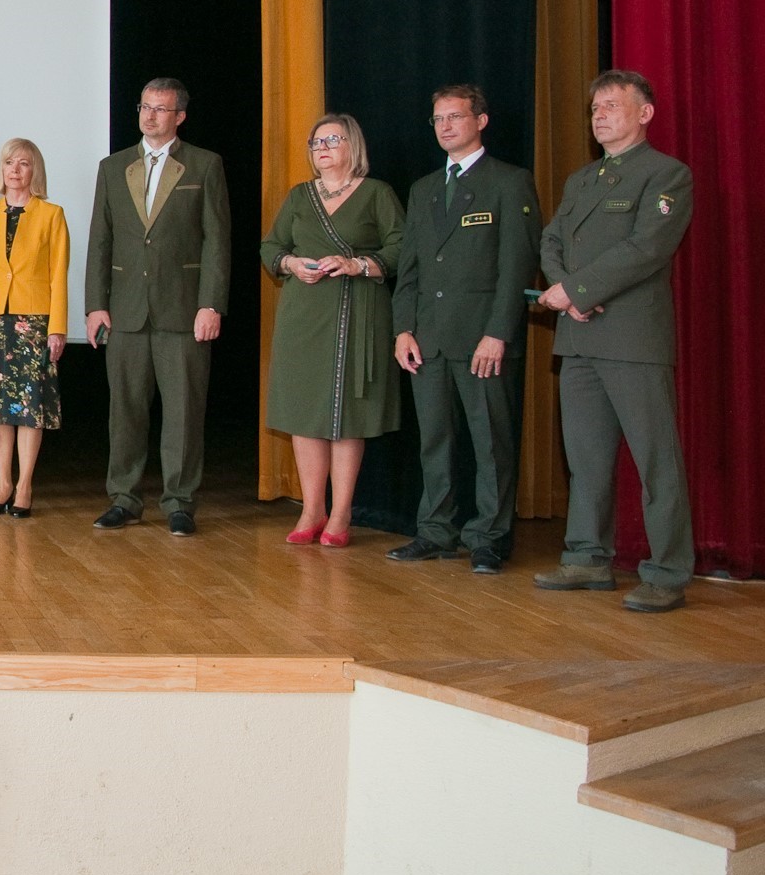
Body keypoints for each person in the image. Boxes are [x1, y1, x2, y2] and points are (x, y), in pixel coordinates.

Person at [534, 70, 695, 613]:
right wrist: (563, 292)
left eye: (611, 106)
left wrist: (577, 289)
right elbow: (551, 238)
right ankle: (586, 557)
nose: (598, 115)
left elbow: (647, 249)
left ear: (644, 113)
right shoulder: (583, 180)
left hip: (631, 340)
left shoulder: (667, 175)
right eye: (594, 108)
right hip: (578, 339)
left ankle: (668, 570)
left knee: (656, 460)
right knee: (586, 458)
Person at [389, 85, 540, 572]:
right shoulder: (424, 188)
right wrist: (403, 329)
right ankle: (435, 530)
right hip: (427, 340)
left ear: (481, 120)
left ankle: (489, 538)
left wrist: (499, 332)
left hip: (482, 340)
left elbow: (517, 268)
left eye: (455, 116)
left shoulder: (509, 182)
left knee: (490, 443)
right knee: (434, 440)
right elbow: (409, 267)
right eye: (437, 119)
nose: (445, 126)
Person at [84, 78, 231, 536]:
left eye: (161, 109)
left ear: (180, 116)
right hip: (125, 311)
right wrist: (95, 305)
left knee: (184, 411)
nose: (150, 116)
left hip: (183, 310)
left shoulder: (205, 165)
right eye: (145, 106)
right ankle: (124, 498)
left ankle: (180, 501)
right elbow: (100, 240)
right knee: (124, 409)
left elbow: (217, 242)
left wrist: (211, 304)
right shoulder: (113, 167)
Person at [259, 113, 403, 547]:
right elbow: (271, 246)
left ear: (352, 145)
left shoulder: (377, 193)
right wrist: (289, 264)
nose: (321, 148)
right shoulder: (299, 196)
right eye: (315, 142)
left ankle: (340, 514)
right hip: (304, 312)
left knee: (347, 414)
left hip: (356, 310)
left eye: (332, 140)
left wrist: (357, 264)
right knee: (304, 411)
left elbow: (401, 247)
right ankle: (311, 508)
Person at [0, 138, 70, 518]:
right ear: (1, 169)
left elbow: (58, 277)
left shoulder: (51, 215)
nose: (16, 170)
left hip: (33, 324)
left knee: (29, 408)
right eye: (9, 162)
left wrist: (58, 328)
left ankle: (24, 486)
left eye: (24, 163)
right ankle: (3, 482)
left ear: (34, 171)